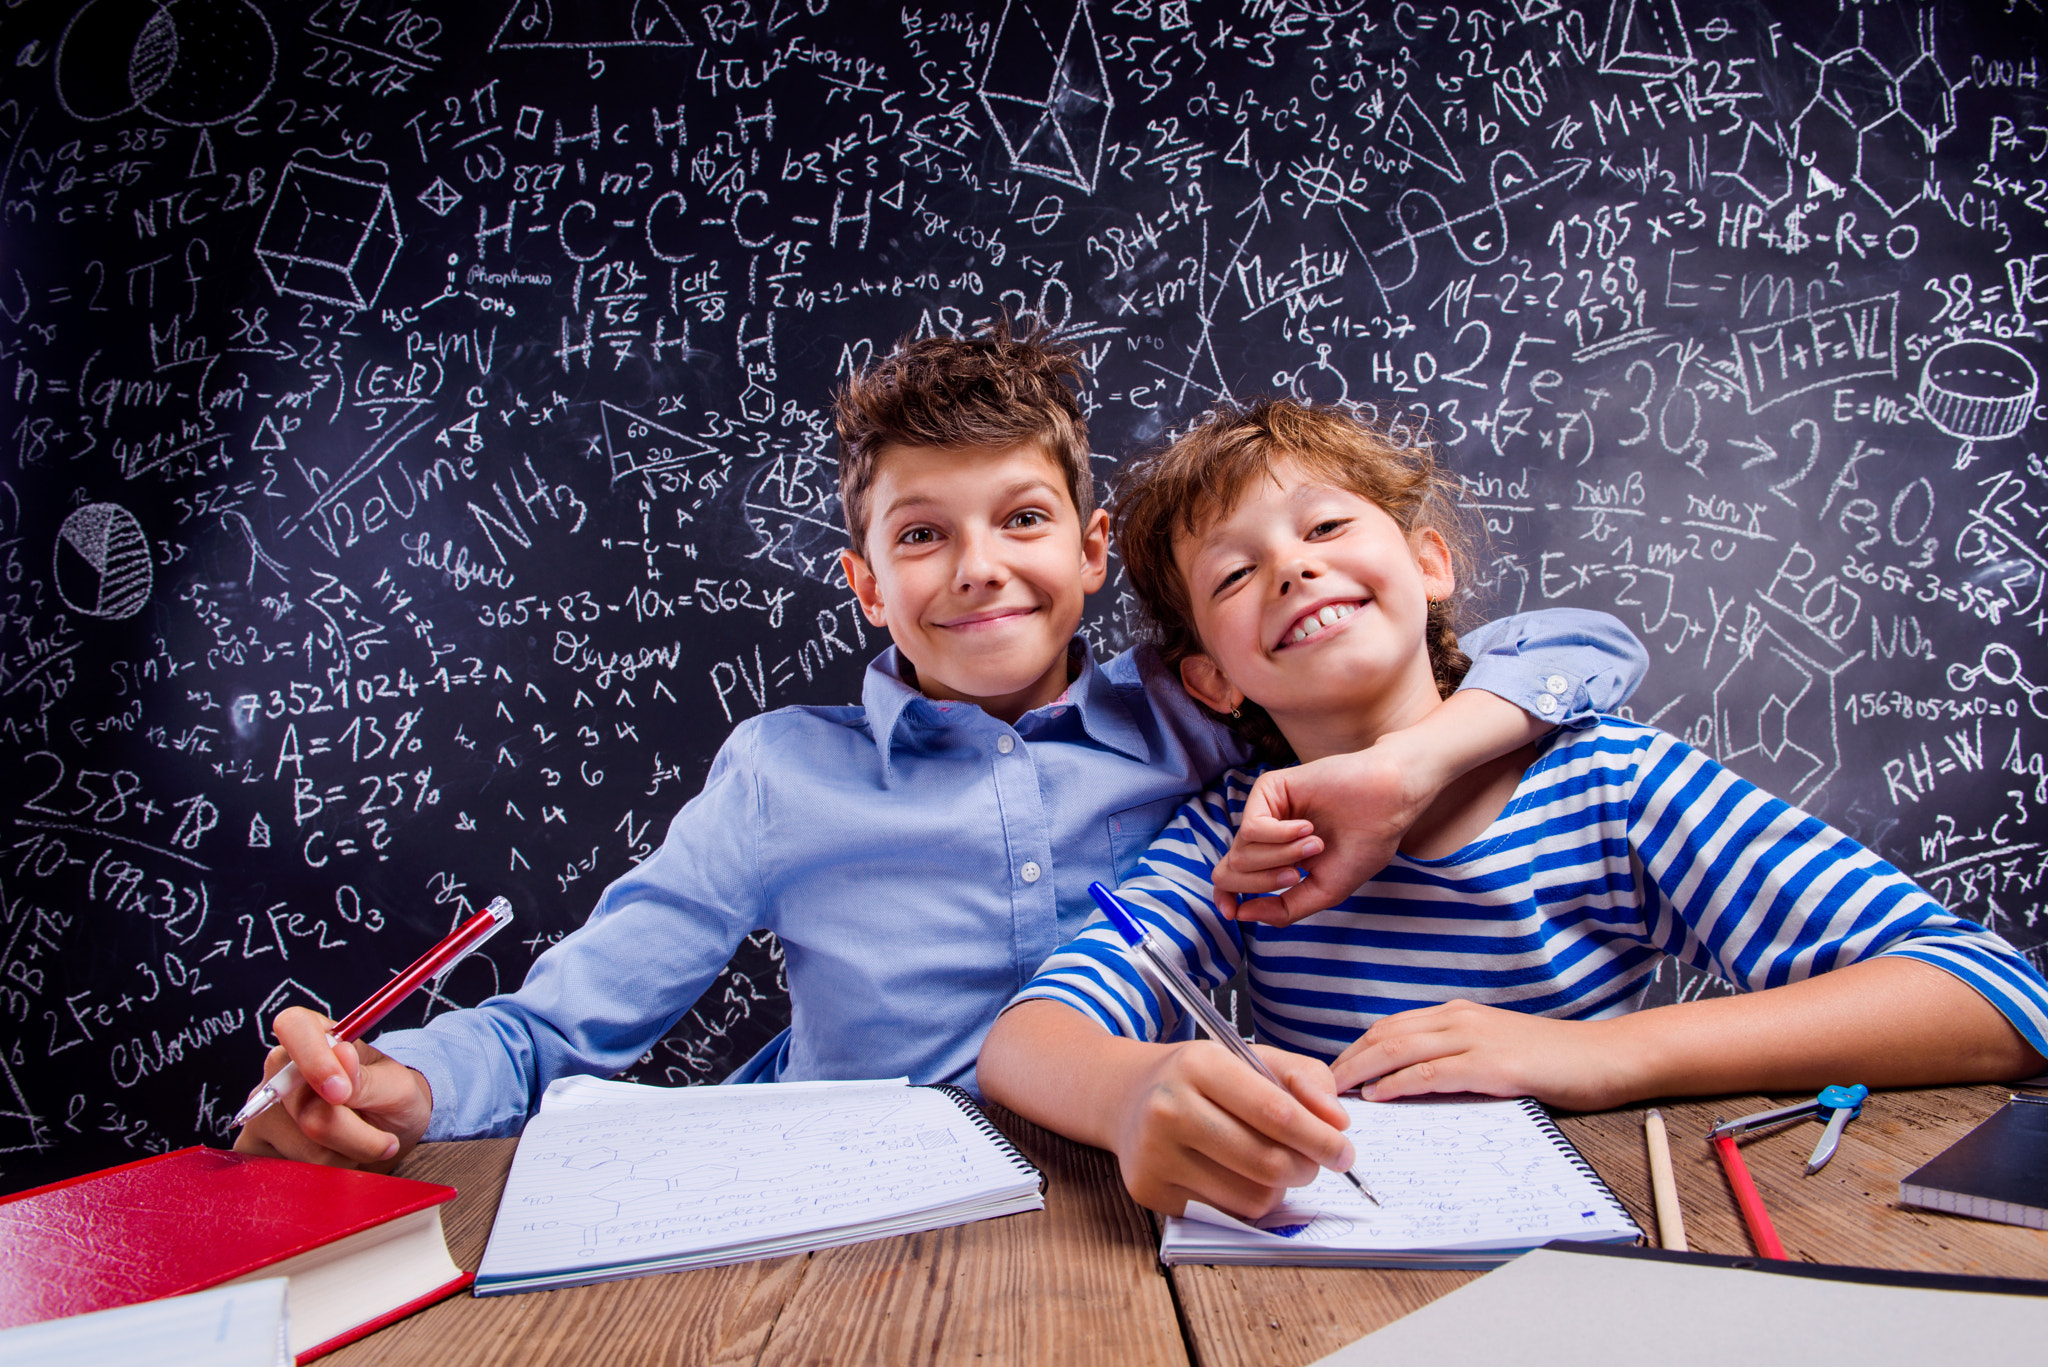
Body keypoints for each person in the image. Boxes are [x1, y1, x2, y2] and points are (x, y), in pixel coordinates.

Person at [235, 331, 1648, 1169]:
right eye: (921, 533)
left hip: (1134, 1193)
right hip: (842, 1201)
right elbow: (560, 1029)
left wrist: (1408, 769)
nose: (980, 567)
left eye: (1024, 519)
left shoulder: (1204, 704)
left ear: (1096, 552)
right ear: (865, 582)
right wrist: (404, 1085)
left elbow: (1577, 646)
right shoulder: (781, 772)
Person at [978, 398, 2048, 1220]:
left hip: (1622, 1244)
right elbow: (1026, 1040)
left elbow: (1997, 994)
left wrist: (1593, 1052)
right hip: (1325, 1267)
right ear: (1211, 677)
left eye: (1325, 525)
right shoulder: (1238, 835)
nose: (1294, 566)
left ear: (1427, 562)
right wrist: (1133, 1093)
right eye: (1235, 573)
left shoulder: (1611, 786)